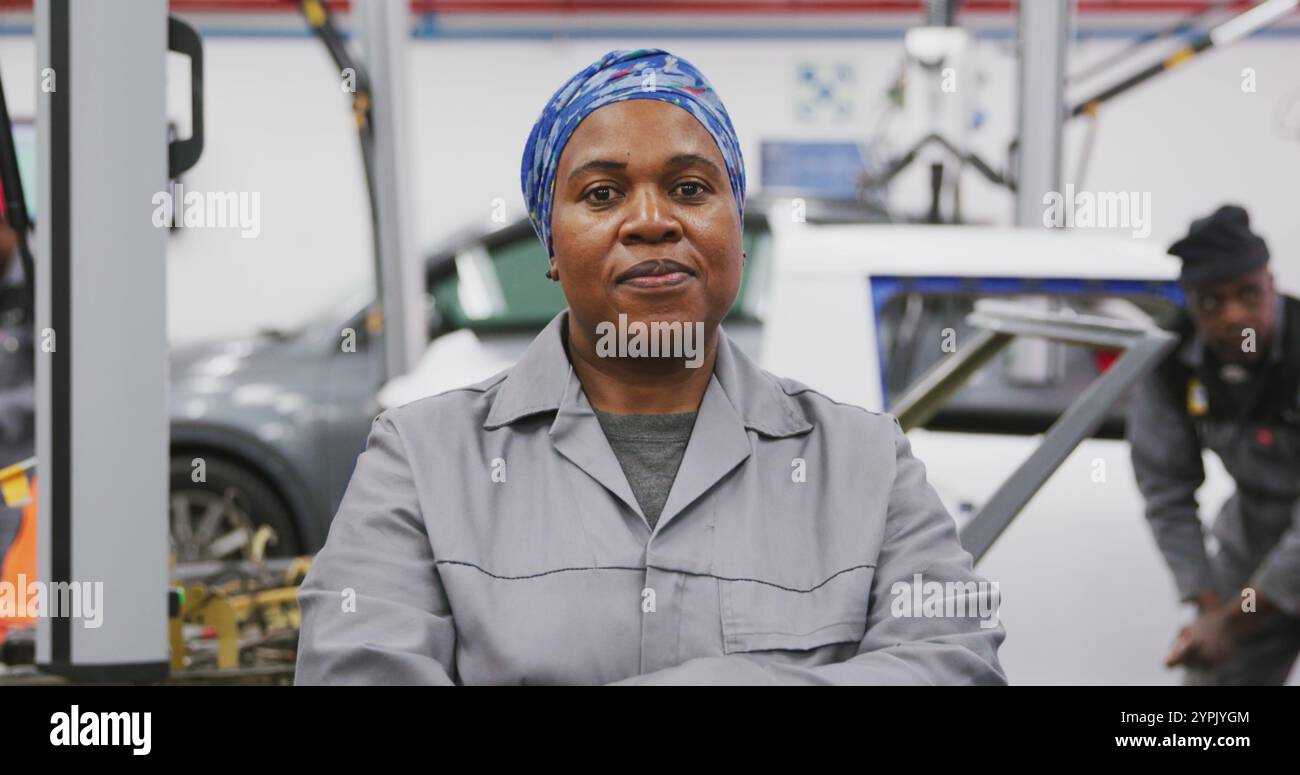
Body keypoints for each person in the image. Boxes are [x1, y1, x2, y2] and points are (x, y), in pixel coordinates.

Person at [295, 48, 1006, 685]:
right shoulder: (422, 463)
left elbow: (955, 659)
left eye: (691, 188)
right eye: (601, 194)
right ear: (550, 243)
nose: (651, 220)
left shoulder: (866, 465)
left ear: (738, 231)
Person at [1128, 204, 1300, 685]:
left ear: (1271, 284)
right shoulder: (1172, 364)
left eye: (1248, 295)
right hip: (1254, 545)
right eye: (1211, 303)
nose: (1234, 318)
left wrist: (1231, 622)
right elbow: (1166, 491)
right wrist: (1209, 610)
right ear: (1190, 303)